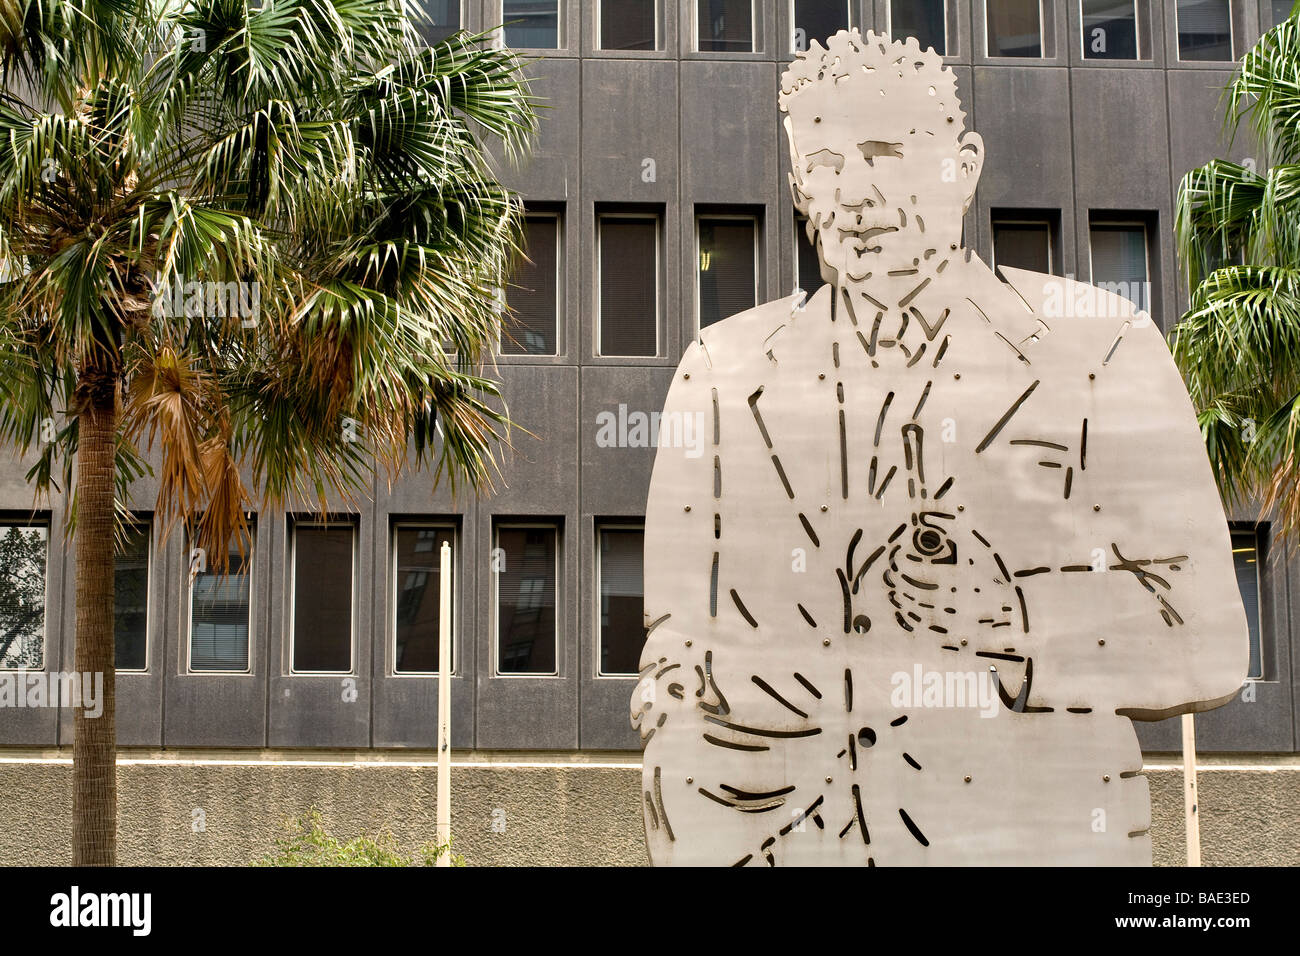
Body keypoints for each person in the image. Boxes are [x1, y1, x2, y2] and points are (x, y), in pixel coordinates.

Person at [631, 29, 1248, 866]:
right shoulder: (721, 369)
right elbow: (677, 639)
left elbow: (1207, 635)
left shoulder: (1102, 347)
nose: (855, 194)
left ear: (962, 165)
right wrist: (676, 704)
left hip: (1033, 840)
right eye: (825, 165)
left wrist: (1015, 616)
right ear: (797, 188)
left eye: (886, 153)